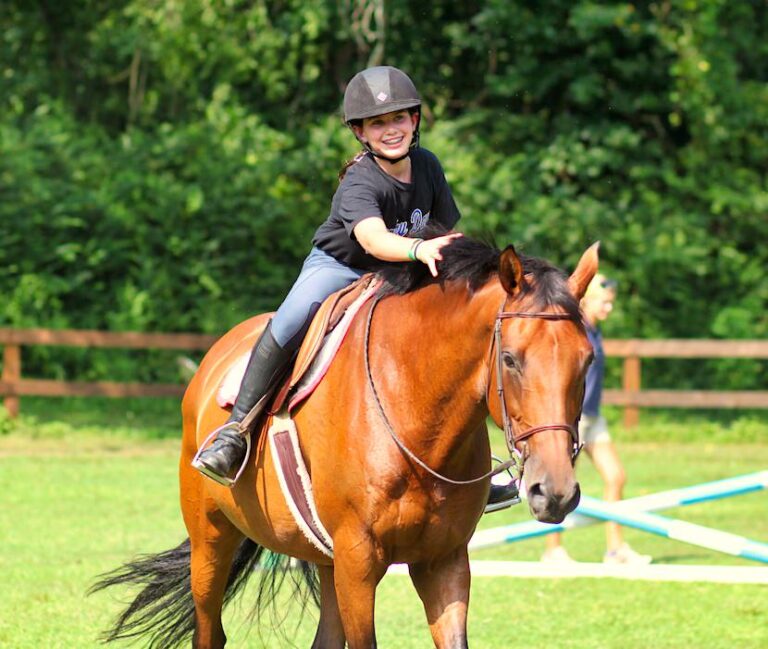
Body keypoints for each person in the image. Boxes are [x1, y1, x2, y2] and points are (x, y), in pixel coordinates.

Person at [192, 65, 520, 510]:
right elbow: (372, 239)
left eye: (399, 118)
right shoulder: (360, 179)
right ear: (361, 133)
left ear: (415, 121)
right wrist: (418, 252)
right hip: (343, 266)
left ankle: (469, 473)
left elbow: (444, 229)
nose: (391, 130)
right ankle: (235, 433)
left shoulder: (428, 166)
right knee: (292, 317)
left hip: (405, 273)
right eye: (378, 123)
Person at [541, 274, 652, 565]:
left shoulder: (596, 331)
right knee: (560, 485)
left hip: (593, 418)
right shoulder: (573, 329)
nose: (609, 309)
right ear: (586, 299)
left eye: (611, 303)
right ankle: (553, 550)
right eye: (605, 302)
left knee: (616, 477)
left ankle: (615, 549)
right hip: (573, 421)